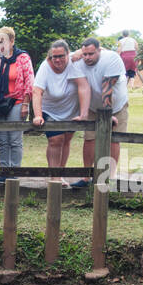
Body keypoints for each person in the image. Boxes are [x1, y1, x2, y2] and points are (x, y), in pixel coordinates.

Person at [31, 39, 90, 184]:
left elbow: (84, 87)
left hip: (70, 109)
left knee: (66, 140)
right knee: (55, 140)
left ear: (68, 54)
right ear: (49, 57)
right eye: (54, 57)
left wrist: (83, 113)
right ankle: (54, 177)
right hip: (50, 110)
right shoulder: (45, 67)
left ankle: (60, 173)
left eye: (61, 56)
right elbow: (37, 91)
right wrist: (38, 115)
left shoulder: (74, 63)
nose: (57, 60)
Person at [72, 37, 129, 188]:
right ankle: (86, 176)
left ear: (99, 50)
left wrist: (107, 116)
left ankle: (110, 176)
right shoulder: (79, 60)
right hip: (92, 105)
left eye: (91, 54)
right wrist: (76, 53)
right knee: (89, 138)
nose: (87, 58)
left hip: (117, 105)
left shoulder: (112, 59)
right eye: (84, 54)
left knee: (114, 139)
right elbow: (59, 56)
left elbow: (107, 88)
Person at [0, 26, 34, 180]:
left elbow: (29, 82)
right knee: (2, 140)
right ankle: (4, 172)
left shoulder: (22, 57)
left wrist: (26, 104)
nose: (0, 45)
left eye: (2, 41)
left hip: (16, 102)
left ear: (12, 41)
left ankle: (14, 172)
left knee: (14, 139)